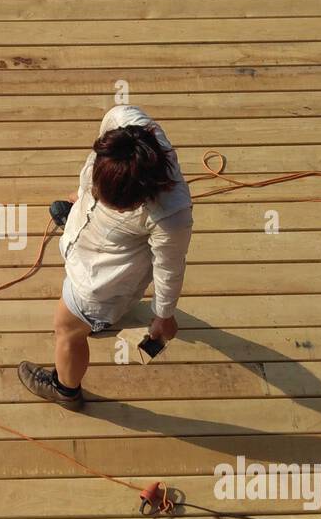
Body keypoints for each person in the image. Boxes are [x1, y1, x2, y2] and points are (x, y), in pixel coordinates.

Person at [18, 105, 193, 409]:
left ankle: (65, 389)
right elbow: (114, 115)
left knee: (67, 329)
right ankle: (99, 323)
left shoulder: (171, 217)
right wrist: (81, 196)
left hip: (102, 281)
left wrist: (163, 315)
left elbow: (169, 267)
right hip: (85, 241)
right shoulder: (126, 121)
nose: (96, 197)